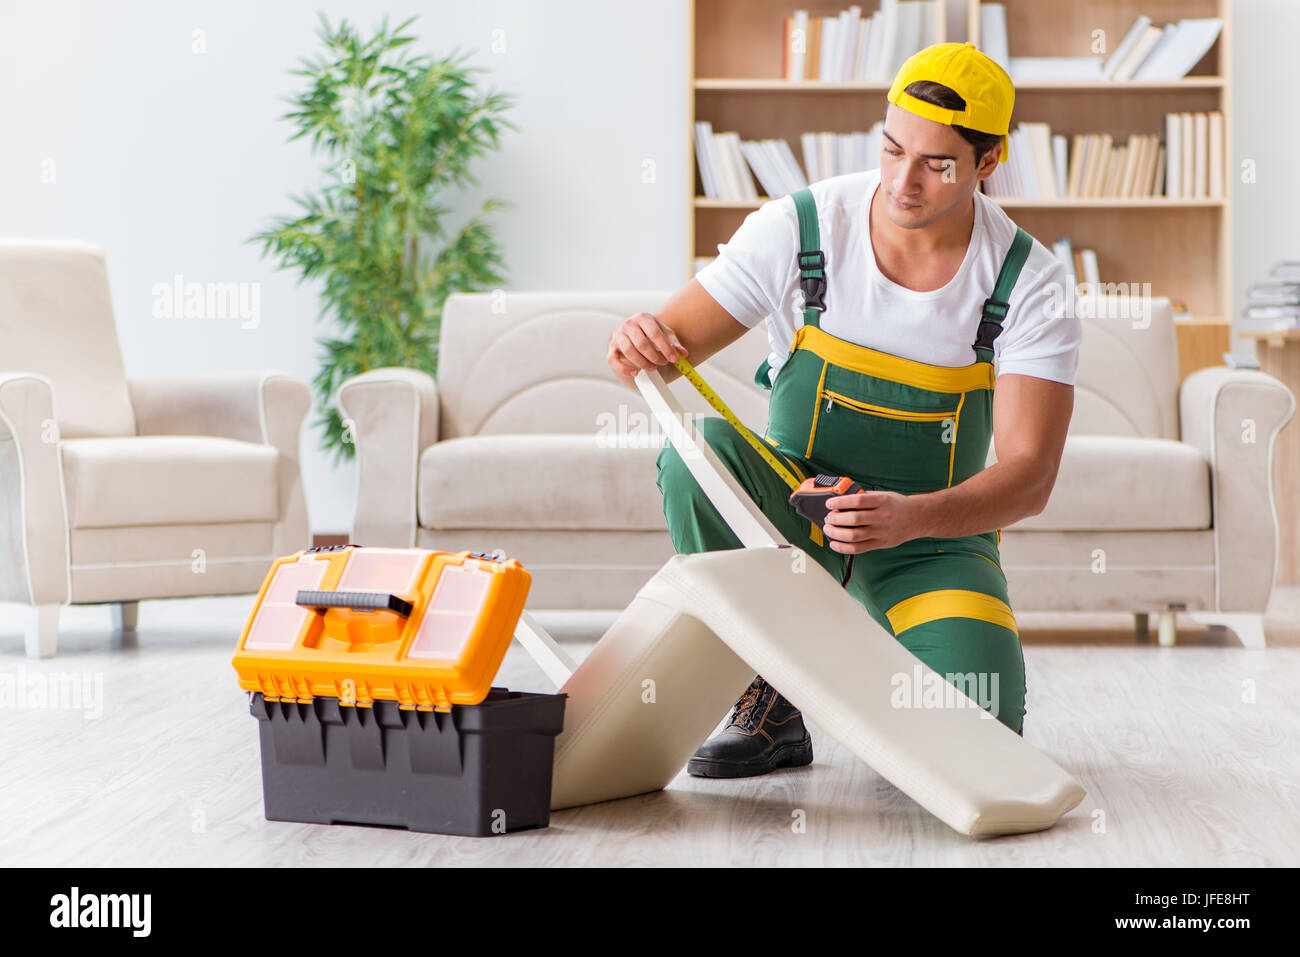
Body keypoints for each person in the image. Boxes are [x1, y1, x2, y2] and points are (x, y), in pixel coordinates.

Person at [605, 42, 1080, 778]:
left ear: (989, 164)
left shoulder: (1029, 282)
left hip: (930, 542)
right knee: (693, 457)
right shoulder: (802, 228)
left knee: (979, 746)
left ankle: (891, 667)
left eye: (937, 164)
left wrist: (910, 518)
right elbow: (666, 350)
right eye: (892, 149)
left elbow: (1029, 477)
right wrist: (639, 340)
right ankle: (768, 685)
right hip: (791, 520)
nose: (903, 181)